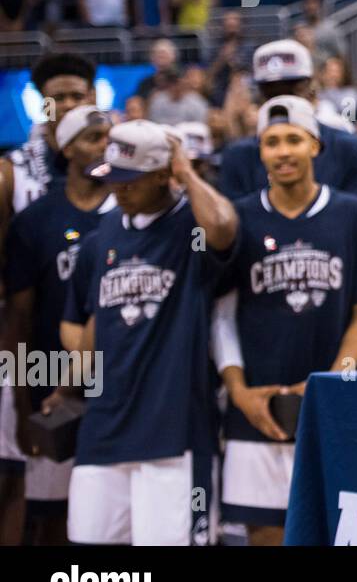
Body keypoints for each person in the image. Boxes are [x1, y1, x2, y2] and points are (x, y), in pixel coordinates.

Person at [214, 97, 357, 544]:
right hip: (256, 412)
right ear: (259, 151)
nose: (283, 151)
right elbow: (221, 315)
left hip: (331, 406)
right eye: (271, 142)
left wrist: (330, 386)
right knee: (265, 535)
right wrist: (238, 393)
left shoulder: (353, 214)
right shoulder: (238, 217)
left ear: (315, 145)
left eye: (293, 139)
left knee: (338, 530)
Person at [61, 120, 238, 545]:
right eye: (113, 179)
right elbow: (87, 322)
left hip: (173, 431)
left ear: (163, 174)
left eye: (130, 181)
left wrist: (187, 173)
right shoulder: (100, 237)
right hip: (104, 428)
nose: (118, 191)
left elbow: (224, 228)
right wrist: (67, 385)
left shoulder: (190, 229)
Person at [1, 107, 114, 545]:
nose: (104, 145)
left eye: (108, 136)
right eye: (92, 138)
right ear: (66, 149)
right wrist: (23, 405)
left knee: (111, 516)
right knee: (52, 517)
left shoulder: (131, 213)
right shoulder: (34, 221)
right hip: (52, 382)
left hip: (120, 385)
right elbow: (19, 318)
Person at [217, 40, 357, 207]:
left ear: (312, 87)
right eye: (271, 92)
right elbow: (232, 227)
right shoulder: (238, 156)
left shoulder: (352, 149)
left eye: (292, 89)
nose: (283, 100)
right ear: (259, 94)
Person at [0, 53, 95, 249]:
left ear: (91, 99)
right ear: (44, 105)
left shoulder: (115, 162)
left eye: (77, 96)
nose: (68, 105)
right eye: (57, 98)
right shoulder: (12, 169)